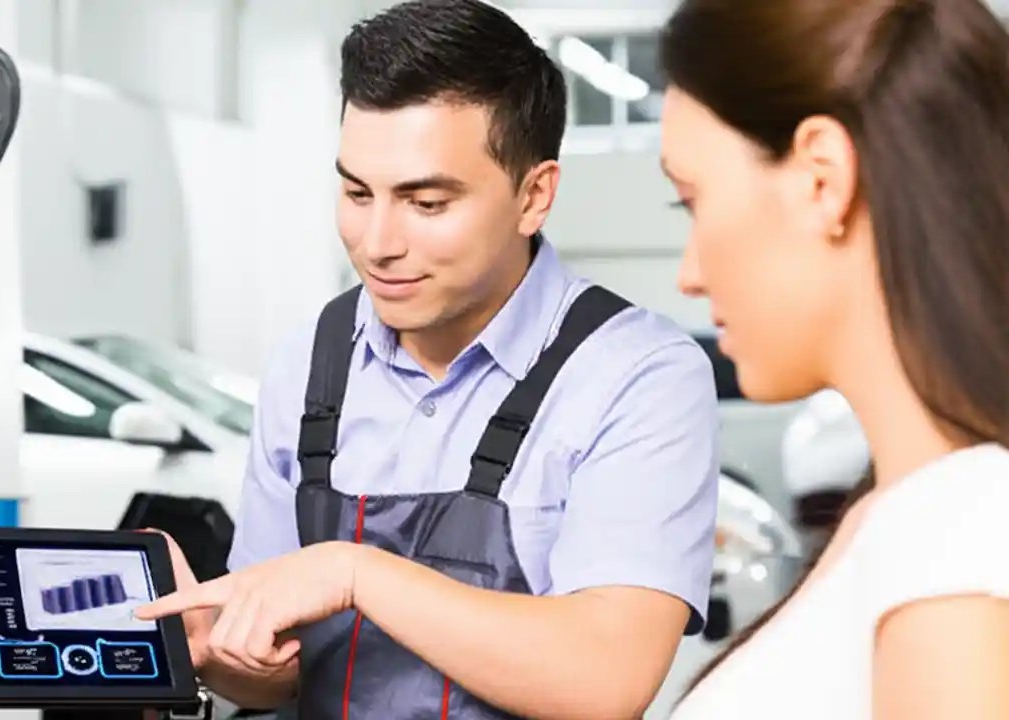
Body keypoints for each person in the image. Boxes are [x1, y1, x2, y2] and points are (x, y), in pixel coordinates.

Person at [135, 0, 721, 718]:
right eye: (356, 192)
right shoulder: (309, 366)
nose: (377, 242)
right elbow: (280, 677)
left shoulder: (636, 375)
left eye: (426, 203)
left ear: (534, 195)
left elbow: (604, 681)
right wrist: (210, 646)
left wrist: (352, 572)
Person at [655, 0, 1009, 718]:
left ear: (822, 177)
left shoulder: (957, 527)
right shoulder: (908, 514)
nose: (688, 274)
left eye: (691, 201)